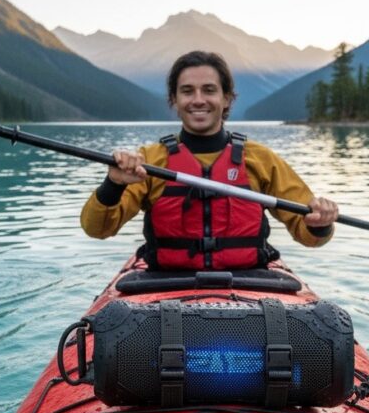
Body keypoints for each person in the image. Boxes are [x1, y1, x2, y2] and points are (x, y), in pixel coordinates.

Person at [80, 51, 338, 270]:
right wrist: (113, 184)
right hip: (167, 284)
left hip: (248, 283)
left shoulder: (261, 160)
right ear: (174, 100)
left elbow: (309, 235)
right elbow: (97, 229)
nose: (198, 100)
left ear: (226, 98)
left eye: (209, 90)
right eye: (187, 91)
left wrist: (321, 224)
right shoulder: (150, 161)